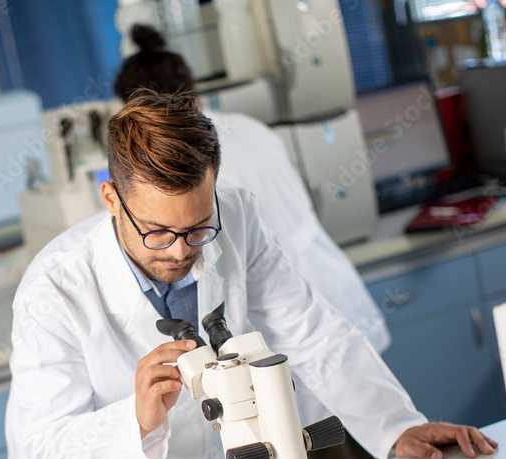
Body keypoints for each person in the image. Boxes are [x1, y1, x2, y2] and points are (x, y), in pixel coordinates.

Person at [5, 92, 496, 459]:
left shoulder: (236, 218)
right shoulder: (53, 289)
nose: (179, 252)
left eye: (198, 229)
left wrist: (396, 426)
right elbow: (44, 442)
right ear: (112, 197)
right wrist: (135, 417)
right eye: (158, 233)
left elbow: (313, 332)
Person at [114, 25, 391, 434]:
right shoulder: (249, 127)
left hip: (296, 329)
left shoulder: (193, 174)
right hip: (334, 300)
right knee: (379, 450)